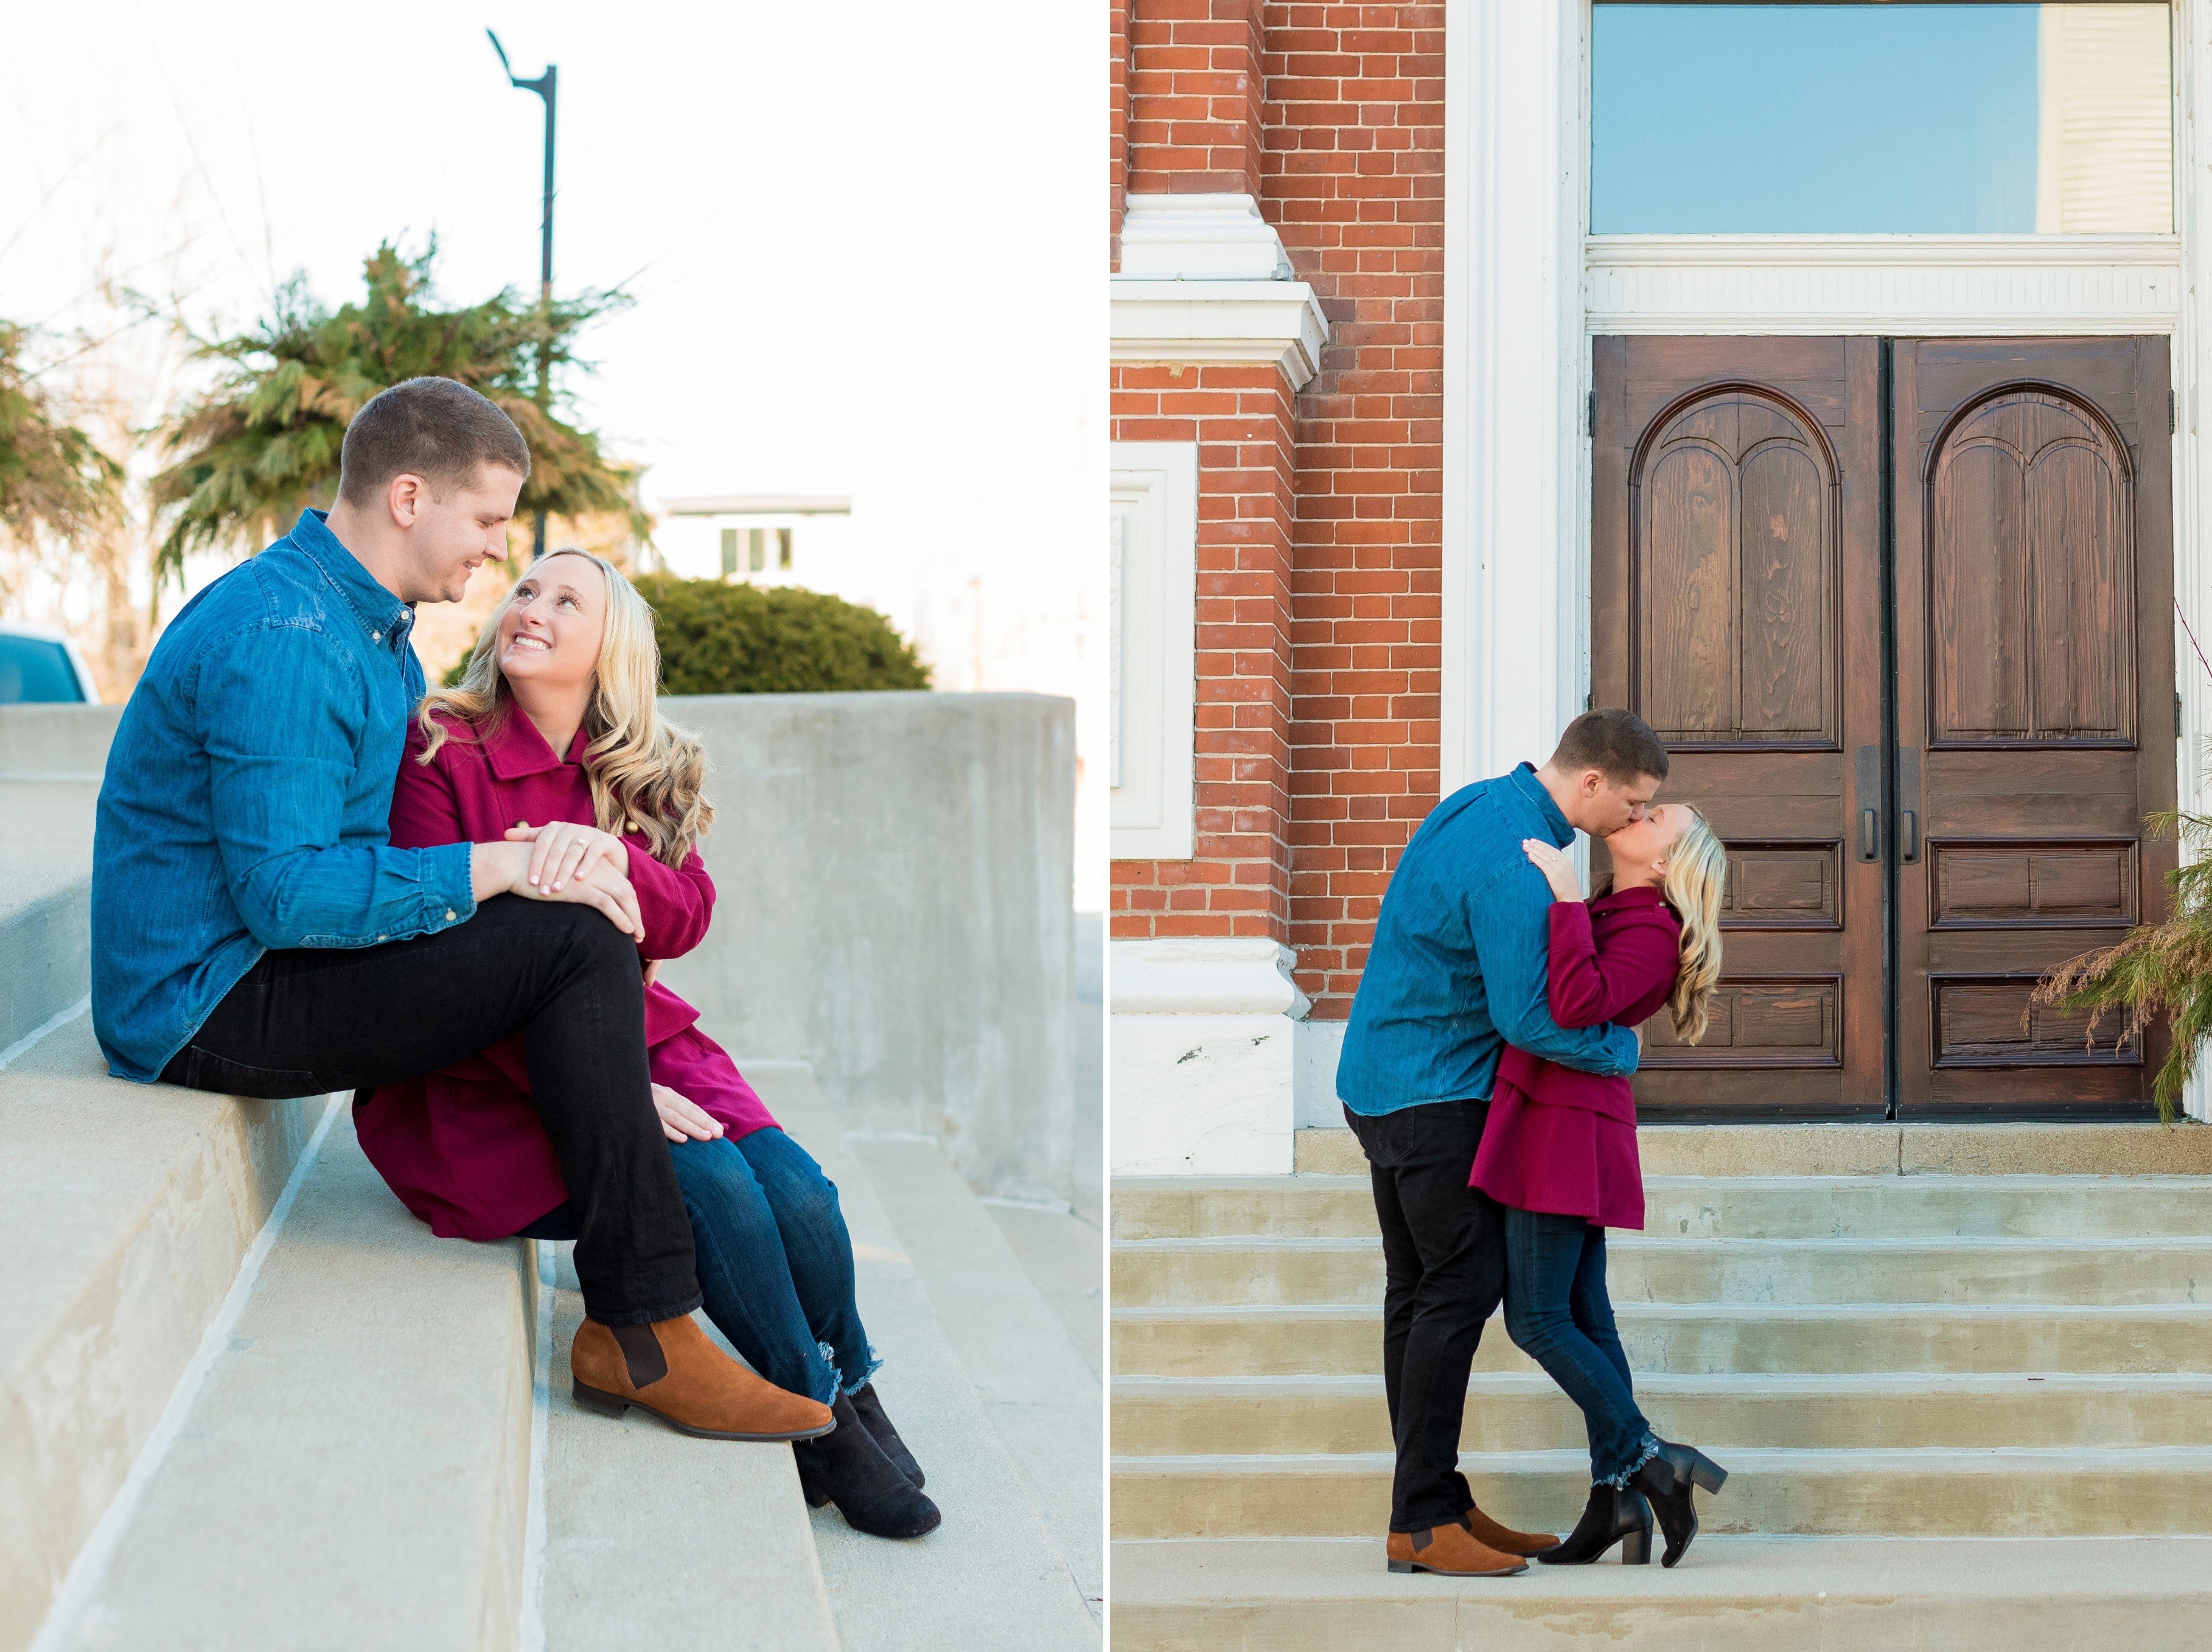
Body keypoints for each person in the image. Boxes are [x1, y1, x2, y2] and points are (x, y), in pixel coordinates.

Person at [90, 376, 809, 1445]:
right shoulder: (287, 631)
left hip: (271, 962)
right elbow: (285, 895)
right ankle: (645, 1324)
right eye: (485, 522)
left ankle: (648, 1316)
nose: (491, 554)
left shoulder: (376, 637)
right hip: (206, 1000)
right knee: (566, 929)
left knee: (570, 922)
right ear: (412, 497)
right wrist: (496, 869)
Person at [355, 545, 940, 1539]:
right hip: (480, 1073)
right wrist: (608, 1087)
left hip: (644, 1039)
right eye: (526, 589)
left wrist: (616, 856)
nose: (531, 607)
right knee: (714, 1194)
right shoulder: (441, 746)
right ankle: (818, 1420)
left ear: (608, 644)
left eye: (565, 599)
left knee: (800, 1196)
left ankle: (856, 1385)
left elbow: (684, 920)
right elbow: (431, 959)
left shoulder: (646, 763)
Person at [1335, 709, 1666, 1580]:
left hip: (1378, 1079)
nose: (1634, 822)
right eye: (1632, 804)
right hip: (1435, 1092)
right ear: (1589, 782)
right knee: (1461, 1285)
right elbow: (1531, 1015)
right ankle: (1420, 1517)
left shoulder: (1477, 802)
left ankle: (1431, 1500)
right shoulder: (1521, 854)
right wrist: (1622, 1051)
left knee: (1414, 1291)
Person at [1471, 805, 1731, 1567]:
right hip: (1560, 1121)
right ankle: (1614, 1502)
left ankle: (1655, 1462)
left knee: (1538, 1320)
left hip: (1566, 1132)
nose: (1639, 811)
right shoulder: (1615, 910)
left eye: (1658, 816)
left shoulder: (1651, 931)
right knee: (1585, 1315)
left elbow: (1578, 1005)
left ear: (1664, 861)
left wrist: (1558, 896)